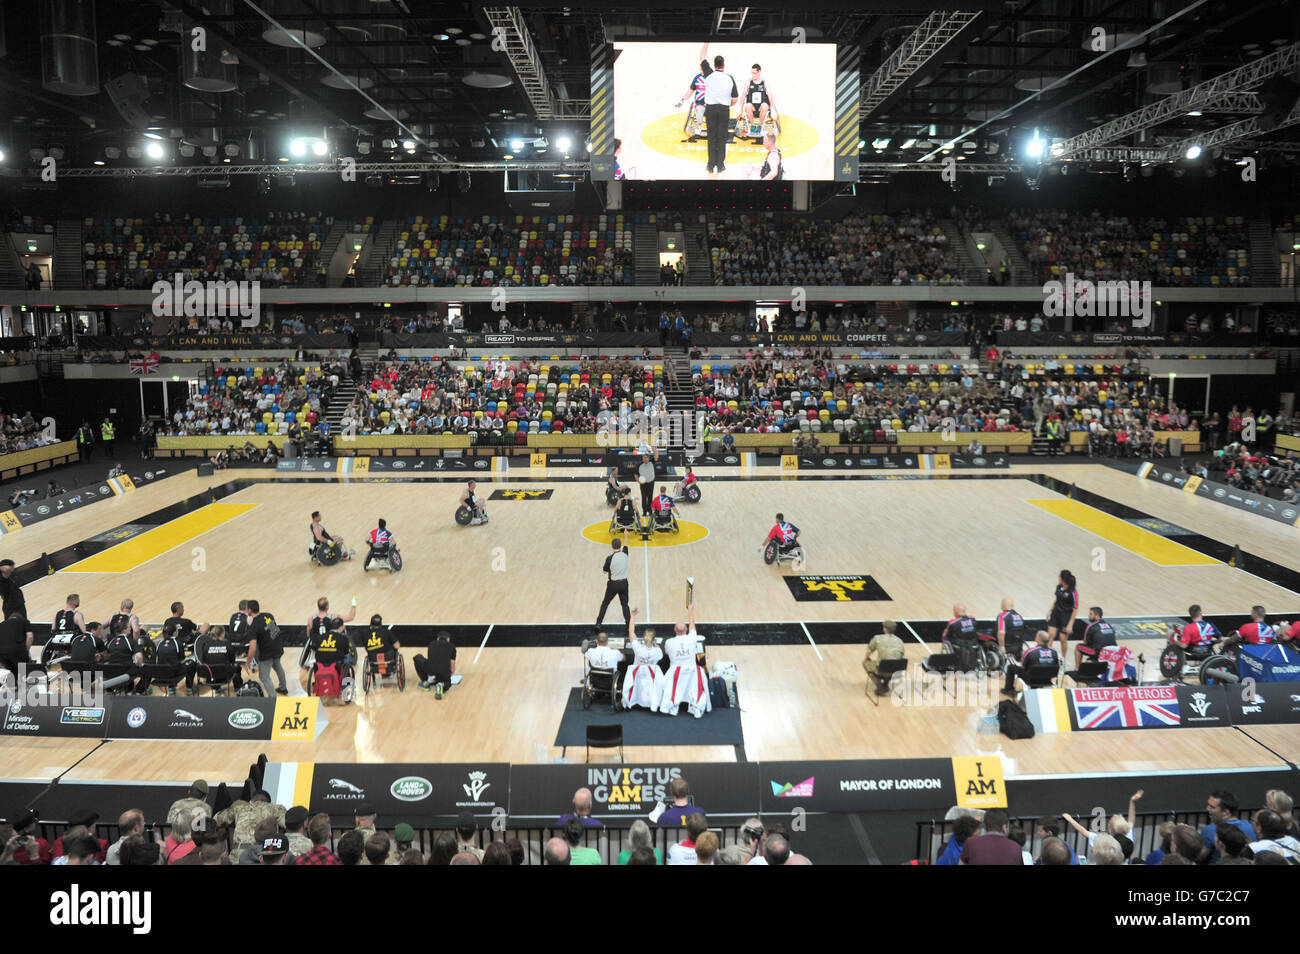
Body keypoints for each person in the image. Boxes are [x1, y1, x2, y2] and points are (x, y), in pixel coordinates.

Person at [659, 601, 710, 719]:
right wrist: (690, 611)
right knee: (696, 680)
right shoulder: (692, 638)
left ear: (675, 631)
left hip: (676, 674)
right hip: (692, 673)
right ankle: (696, 707)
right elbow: (693, 625)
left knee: (671, 681)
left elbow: (666, 652)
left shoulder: (669, 642)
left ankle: (673, 706)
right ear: (686, 630)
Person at [701, 54, 738, 175]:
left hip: (711, 109)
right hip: (723, 109)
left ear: (714, 64)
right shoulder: (729, 78)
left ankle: (710, 165)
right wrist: (727, 104)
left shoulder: (709, 75)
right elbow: (735, 98)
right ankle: (721, 165)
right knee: (722, 137)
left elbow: (702, 58)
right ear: (723, 65)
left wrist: (707, 41)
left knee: (711, 137)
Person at [244, 599, 288, 696]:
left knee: (264, 677)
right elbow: (276, 630)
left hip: (266, 654)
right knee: (277, 666)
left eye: (247, 609)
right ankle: (283, 688)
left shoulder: (253, 627)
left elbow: (252, 648)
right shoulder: (268, 615)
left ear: (250, 610)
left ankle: (273, 700)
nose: (246, 610)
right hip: (277, 648)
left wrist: (247, 662)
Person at [623, 609, 663, 711]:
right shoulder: (658, 652)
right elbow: (659, 654)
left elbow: (631, 632)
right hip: (650, 679)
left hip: (638, 677)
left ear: (643, 638)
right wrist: (656, 646)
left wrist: (632, 616)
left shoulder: (638, 648)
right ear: (654, 639)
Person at [1199, 790, 1255, 863]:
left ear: (1225, 812)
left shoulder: (1210, 830)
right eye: (1208, 805)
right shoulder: (1251, 827)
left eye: (1212, 807)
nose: (1207, 809)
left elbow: (1198, 857)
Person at [187, 623, 241, 694]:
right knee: (237, 667)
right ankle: (237, 689)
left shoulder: (206, 646)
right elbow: (232, 661)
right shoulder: (227, 645)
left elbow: (203, 661)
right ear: (222, 634)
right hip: (225, 676)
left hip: (210, 676)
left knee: (214, 666)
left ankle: (217, 689)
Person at [1002, 630, 1059, 696]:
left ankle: (1008, 690)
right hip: (1048, 680)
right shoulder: (1054, 651)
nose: (1035, 636)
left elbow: (1023, 666)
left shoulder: (1030, 651)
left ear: (1039, 639)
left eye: (1037, 635)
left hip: (1031, 680)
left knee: (1011, 667)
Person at [595, 531, 632, 632]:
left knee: (605, 603)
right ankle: (628, 624)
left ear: (612, 546)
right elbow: (626, 545)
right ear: (620, 546)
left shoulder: (609, 558)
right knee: (625, 605)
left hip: (613, 584)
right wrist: (626, 536)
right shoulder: (625, 554)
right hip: (624, 583)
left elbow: (604, 571)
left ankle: (598, 623)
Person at [863, 619, 906, 696]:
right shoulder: (900, 641)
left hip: (881, 669)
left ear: (885, 629)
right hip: (897, 671)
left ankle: (880, 685)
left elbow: (868, 652)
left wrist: (867, 658)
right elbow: (901, 655)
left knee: (865, 663)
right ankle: (885, 683)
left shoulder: (877, 638)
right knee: (891, 664)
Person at [1046, 569, 1078, 661]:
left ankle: (1063, 659)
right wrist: (1050, 611)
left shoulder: (1073, 592)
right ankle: (1048, 656)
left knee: (1062, 639)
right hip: (1056, 614)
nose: (1058, 577)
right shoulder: (1059, 587)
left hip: (1066, 617)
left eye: (1059, 576)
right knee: (1050, 635)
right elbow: (1056, 600)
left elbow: (1075, 609)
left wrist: (1070, 624)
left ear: (1063, 578)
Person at [414, 630, 456, 697]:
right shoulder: (452, 646)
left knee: (417, 657)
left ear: (438, 638)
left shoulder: (431, 643)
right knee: (447, 682)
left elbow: (430, 658)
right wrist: (448, 675)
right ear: (448, 639)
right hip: (443, 671)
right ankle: (442, 685)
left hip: (430, 669)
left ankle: (425, 682)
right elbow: (452, 668)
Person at [0, 610, 32, 680]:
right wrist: (26, 650)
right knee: (22, 675)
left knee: (9, 675)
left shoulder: (1, 624)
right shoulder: (24, 621)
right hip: (18, 652)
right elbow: (30, 636)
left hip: (2, 653)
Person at [635, 452, 657, 516]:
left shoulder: (652, 462)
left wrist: (654, 450)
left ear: (649, 458)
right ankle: (644, 511)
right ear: (642, 458)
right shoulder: (639, 465)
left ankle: (650, 511)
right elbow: (636, 474)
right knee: (644, 497)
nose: (645, 459)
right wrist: (639, 481)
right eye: (644, 458)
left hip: (651, 482)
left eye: (646, 458)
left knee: (650, 497)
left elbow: (656, 456)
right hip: (643, 484)